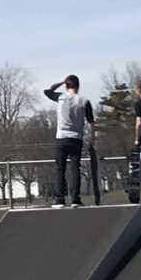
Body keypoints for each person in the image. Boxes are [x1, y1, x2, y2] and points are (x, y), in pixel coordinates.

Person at [43, 75, 95, 206]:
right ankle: (75, 199)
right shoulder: (84, 100)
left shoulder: (61, 97)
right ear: (78, 86)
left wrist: (61, 82)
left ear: (67, 86)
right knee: (75, 169)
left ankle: (59, 199)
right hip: (77, 138)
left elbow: (47, 91)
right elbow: (90, 122)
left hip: (62, 138)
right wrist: (91, 138)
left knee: (60, 169)